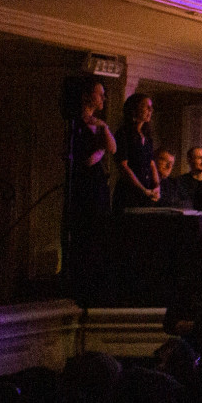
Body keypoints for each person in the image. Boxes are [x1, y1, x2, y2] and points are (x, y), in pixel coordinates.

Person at [64, 78, 116, 303]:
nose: (103, 98)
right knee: (86, 232)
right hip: (85, 186)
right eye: (100, 93)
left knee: (100, 231)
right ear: (87, 96)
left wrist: (103, 127)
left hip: (98, 183)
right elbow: (86, 160)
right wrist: (101, 150)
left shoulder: (98, 123)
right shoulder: (75, 123)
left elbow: (112, 148)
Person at [113, 92, 161, 210]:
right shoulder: (123, 134)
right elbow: (123, 166)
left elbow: (151, 163)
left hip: (147, 192)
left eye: (151, 107)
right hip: (129, 192)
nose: (151, 110)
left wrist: (157, 187)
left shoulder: (147, 137)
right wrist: (142, 190)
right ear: (135, 109)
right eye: (146, 107)